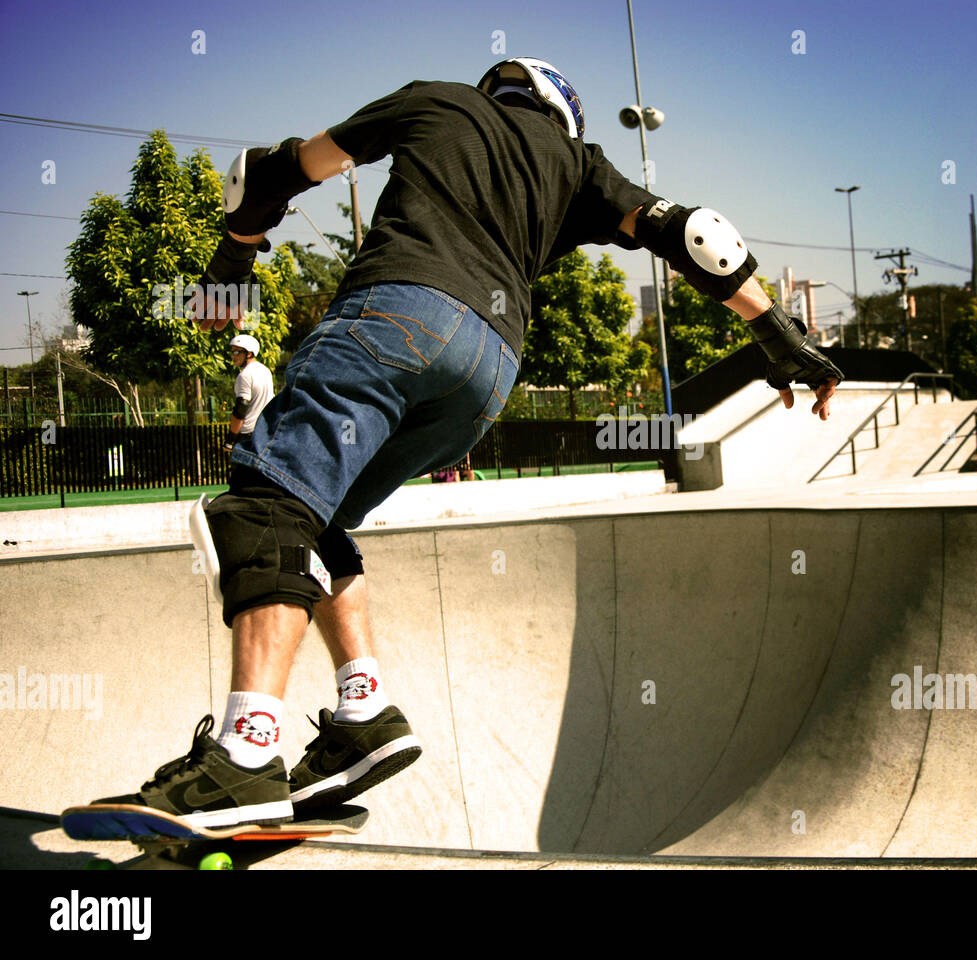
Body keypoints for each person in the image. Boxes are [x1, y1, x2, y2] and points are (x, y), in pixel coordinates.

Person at [89, 58, 843, 829]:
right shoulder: (580, 165)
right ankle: (363, 712)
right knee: (314, 522)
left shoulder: (433, 103)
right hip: (486, 371)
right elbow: (694, 234)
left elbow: (267, 175)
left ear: (498, 91)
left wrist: (232, 265)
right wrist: (777, 334)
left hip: (396, 316)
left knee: (266, 507)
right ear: (561, 116)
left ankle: (245, 757)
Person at [224, 334, 274, 455]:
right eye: (232, 352)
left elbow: (241, 408)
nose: (233, 356)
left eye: (237, 352)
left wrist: (230, 440)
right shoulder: (265, 370)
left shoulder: (245, 375)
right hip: (265, 432)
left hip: (247, 437)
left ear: (249, 353)